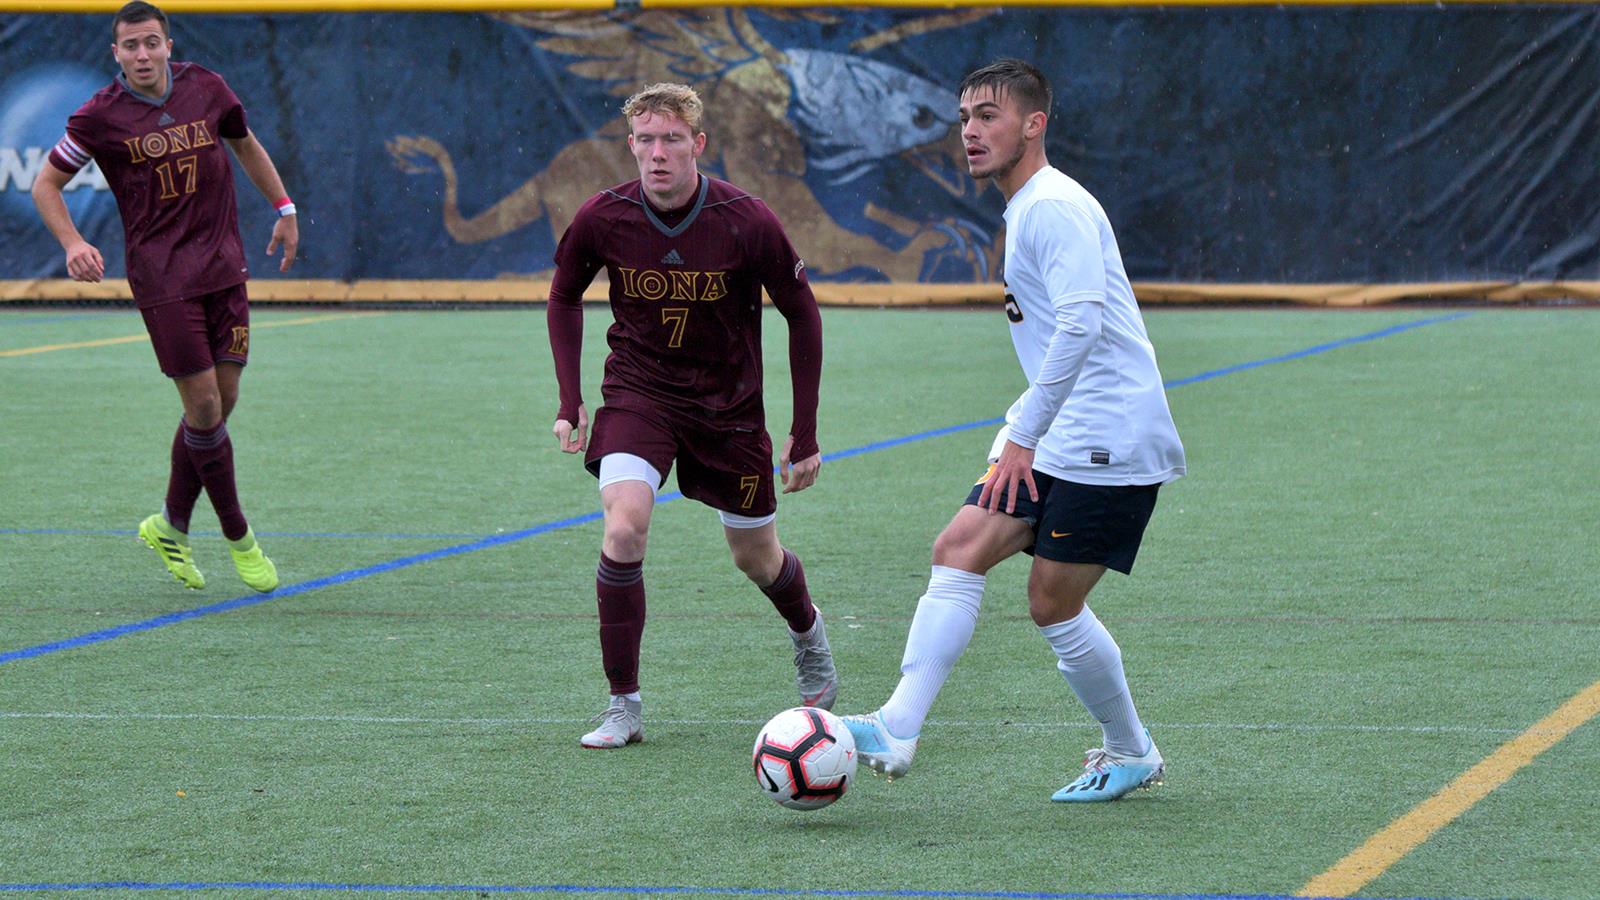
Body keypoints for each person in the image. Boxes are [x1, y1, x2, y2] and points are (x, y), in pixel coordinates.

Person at [842, 59, 1186, 802]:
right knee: (958, 548)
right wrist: (1023, 431)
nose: (970, 129)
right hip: (1056, 427)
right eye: (964, 116)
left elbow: (1082, 324)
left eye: (988, 115)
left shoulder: (1052, 206)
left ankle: (1132, 751)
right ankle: (898, 724)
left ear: (1035, 124)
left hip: (1108, 439)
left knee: (1051, 604)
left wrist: (1024, 432)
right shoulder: (1027, 205)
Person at [546, 82, 836, 749]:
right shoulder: (604, 216)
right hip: (640, 395)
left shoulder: (746, 218)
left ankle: (809, 636)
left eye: (672, 139)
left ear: (698, 144)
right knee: (624, 530)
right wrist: (571, 399)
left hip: (727, 406)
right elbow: (564, 296)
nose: (657, 154)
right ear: (630, 147)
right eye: (645, 140)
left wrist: (806, 429)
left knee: (756, 556)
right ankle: (624, 706)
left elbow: (802, 313)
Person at [32, 1, 297, 594]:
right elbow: (46, 184)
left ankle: (172, 524)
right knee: (204, 409)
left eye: (152, 42)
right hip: (164, 279)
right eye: (131, 46)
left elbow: (246, 144)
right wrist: (73, 242)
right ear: (116, 54)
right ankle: (239, 538)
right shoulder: (99, 116)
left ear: (169, 45)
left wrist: (285, 209)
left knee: (220, 407)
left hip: (225, 270)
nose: (143, 54)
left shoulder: (208, 89)